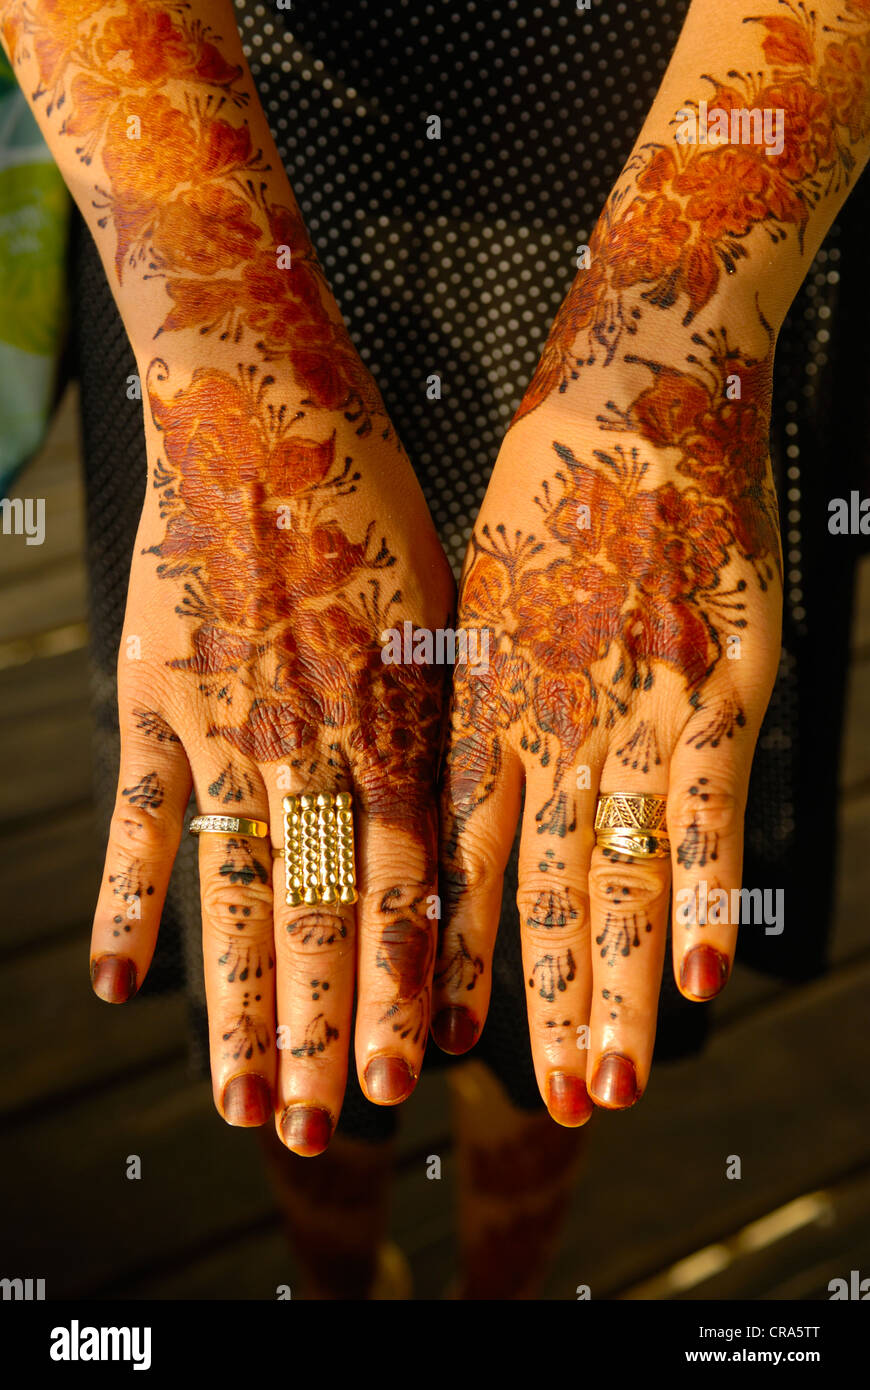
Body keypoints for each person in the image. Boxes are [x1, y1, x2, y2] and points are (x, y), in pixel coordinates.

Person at [3, 0, 868, 1297]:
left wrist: (663, 351)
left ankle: (499, 1282)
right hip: (222, 141)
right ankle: (340, 1273)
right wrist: (233, 361)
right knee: (305, 881)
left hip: (696, 123)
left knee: (572, 901)